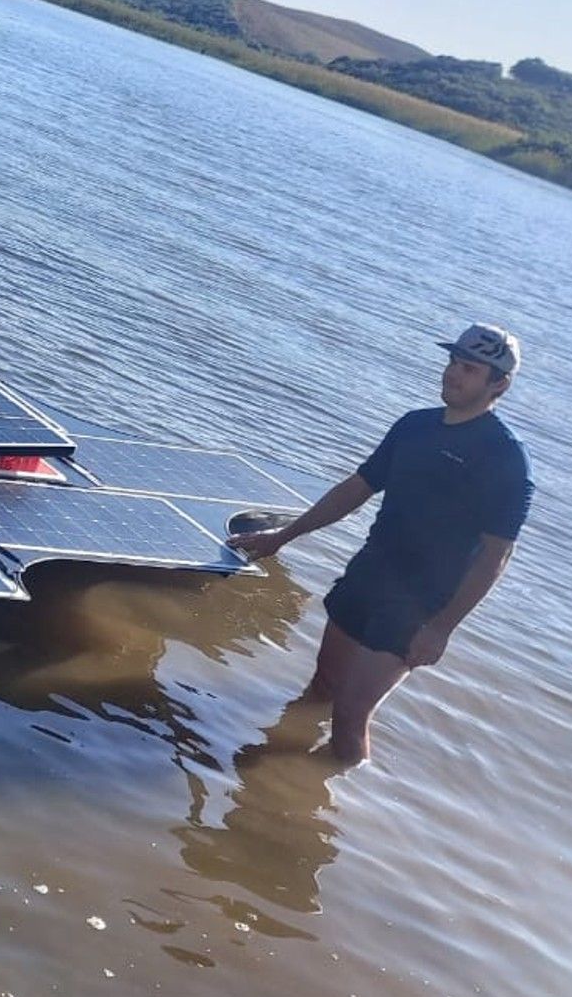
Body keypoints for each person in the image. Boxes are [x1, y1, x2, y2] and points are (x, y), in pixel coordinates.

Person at [227, 324, 533, 765]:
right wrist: (283, 536)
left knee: (351, 714)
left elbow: (496, 555)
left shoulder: (505, 458)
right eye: (453, 361)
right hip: (369, 574)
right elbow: (356, 489)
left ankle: (333, 784)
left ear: (498, 384)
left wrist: (442, 627)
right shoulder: (415, 425)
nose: (453, 373)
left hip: (420, 603)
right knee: (322, 687)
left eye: (469, 369)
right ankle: (283, 776)